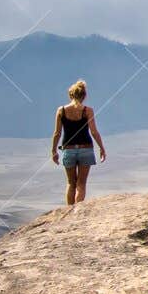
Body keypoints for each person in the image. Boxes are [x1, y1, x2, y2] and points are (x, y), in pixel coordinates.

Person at [50, 79, 107, 207]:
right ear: (84, 96)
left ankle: (69, 212)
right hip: (86, 149)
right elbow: (94, 132)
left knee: (71, 183)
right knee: (81, 184)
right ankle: (77, 213)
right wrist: (102, 148)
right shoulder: (88, 110)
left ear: (71, 95)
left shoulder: (61, 110)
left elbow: (57, 133)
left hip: (68, 149)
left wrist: (53, 151)